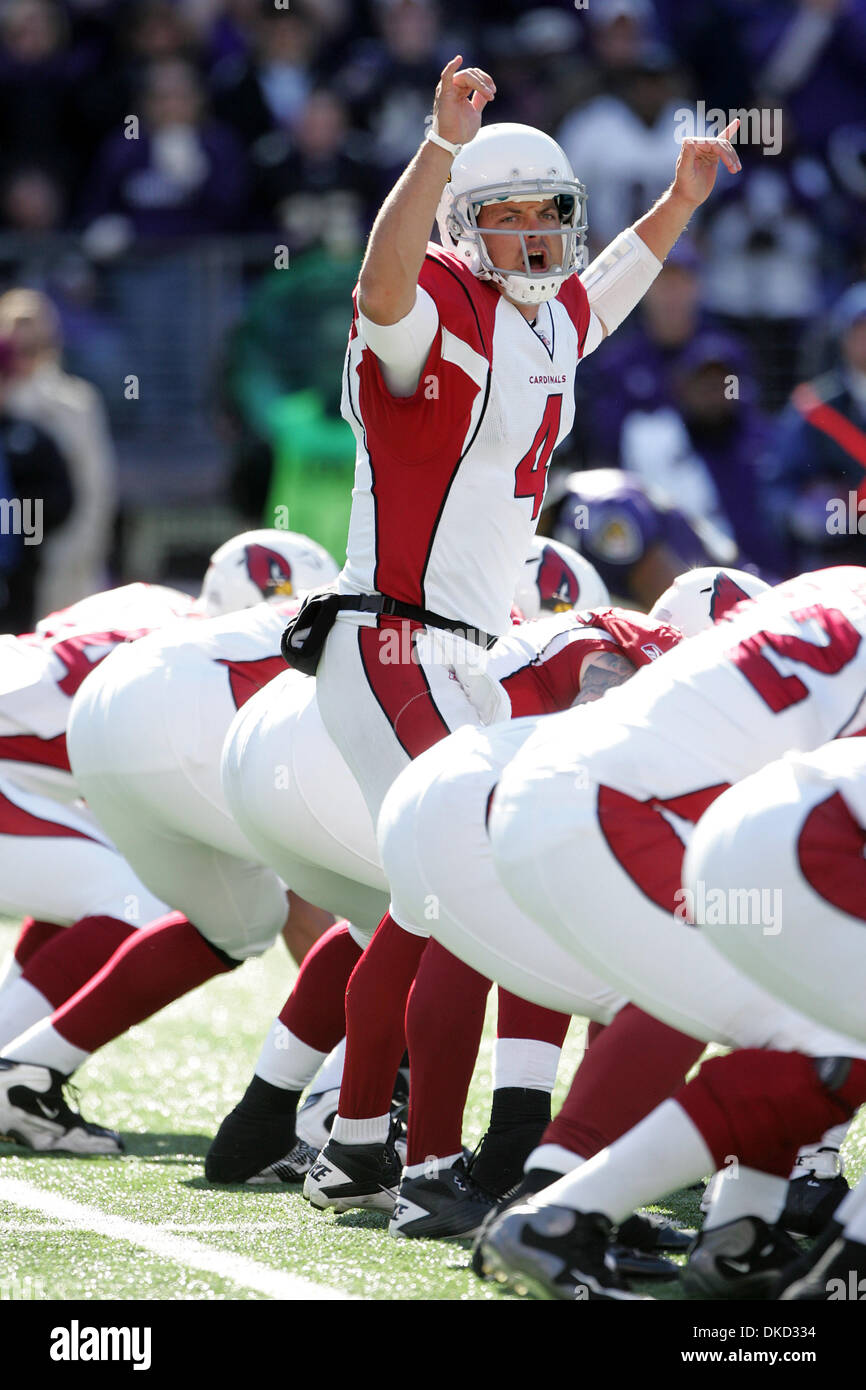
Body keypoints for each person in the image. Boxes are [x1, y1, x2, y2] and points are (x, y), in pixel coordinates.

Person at [297, 54, 741, 1217]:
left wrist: (680, 202)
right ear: (461, 225)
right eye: (507, 219)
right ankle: (424, 1164)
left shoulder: (543, 321)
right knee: (472, 870)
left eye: (551, 217)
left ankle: (354, 1141)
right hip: (392, 639)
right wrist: (438, 144)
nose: (538, 240)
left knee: (427, 896)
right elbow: (381, 288)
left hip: (459, 651)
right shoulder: (434, 301)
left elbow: (606, 283)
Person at [378, 566, 866, 1298]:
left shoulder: (830, 587)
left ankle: (726, 1228)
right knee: (819, 1033)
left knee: (772, 1010)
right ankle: (562, 1217)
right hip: (622, 804)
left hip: (562, 784)